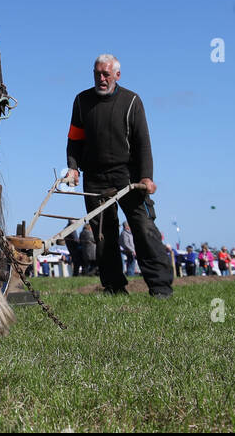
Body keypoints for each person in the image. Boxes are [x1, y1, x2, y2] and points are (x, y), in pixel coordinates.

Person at [66, 54, 172, 297]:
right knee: (103, 234)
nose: (101, 79)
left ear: (117, 75)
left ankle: (160, 288)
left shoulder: (132, 101)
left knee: (144, 229)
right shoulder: (82, 101)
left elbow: (143, 143)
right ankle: (113, 287)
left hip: (128, 176)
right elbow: (74, 139)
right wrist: (73, 166)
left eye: (106, 74)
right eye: (97, 74)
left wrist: (146, 177)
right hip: (94, 177)